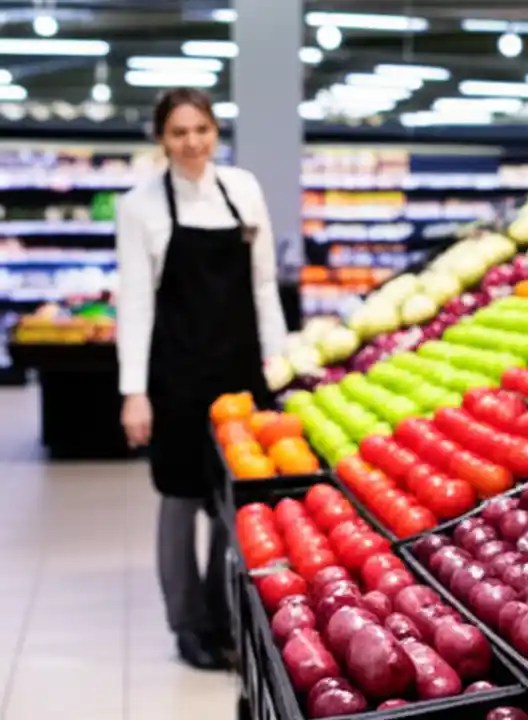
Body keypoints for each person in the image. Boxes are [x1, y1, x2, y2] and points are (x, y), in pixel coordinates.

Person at [115, 88, 288, 670]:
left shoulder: (243, 191)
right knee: (180, 496)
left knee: (234, 501)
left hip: (239, 373)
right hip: (176, 374)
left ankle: (223, 615)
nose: (192, 143)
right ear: (161, 139)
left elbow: (264, 286)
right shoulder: (139, 206)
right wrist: (133, 392)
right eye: (178, 132)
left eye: (201, 130)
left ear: (216, 131)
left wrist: (278, 364)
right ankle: (187, 625)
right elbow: (136, 304)